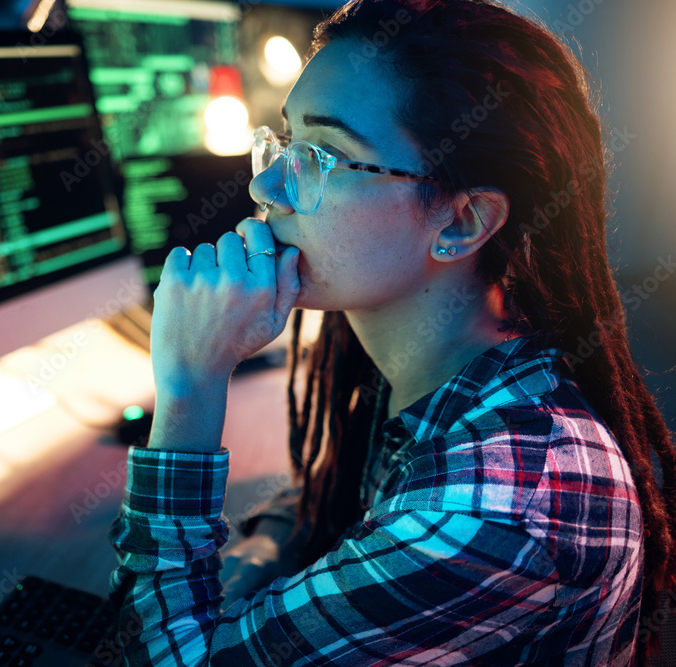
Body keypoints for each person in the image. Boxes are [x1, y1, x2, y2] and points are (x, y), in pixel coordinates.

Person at [106, 0, 676, 664]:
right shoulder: (440, 353)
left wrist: (188, 385)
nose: (265, 183)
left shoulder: (490, 511)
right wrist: (261, 551)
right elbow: (330, 497)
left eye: (324, 154)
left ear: (462, 223)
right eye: (287, 140)